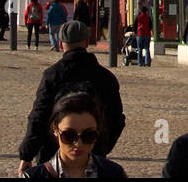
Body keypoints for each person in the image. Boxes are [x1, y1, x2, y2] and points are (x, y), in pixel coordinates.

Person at [17, 21, 126, 174]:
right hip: (93, 152)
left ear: (61, 44)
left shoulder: (53, 75)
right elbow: (117, 119)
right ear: (87, 43)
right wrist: (101, 145)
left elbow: (39, 116)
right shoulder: (105, 77)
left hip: (52, 154)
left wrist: (27, 155)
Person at [20, 92, 126, 178]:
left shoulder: (114, 173)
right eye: (69, 136)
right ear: (55, 130)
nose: (78, 144)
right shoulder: (32, 176)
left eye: (88, 136)